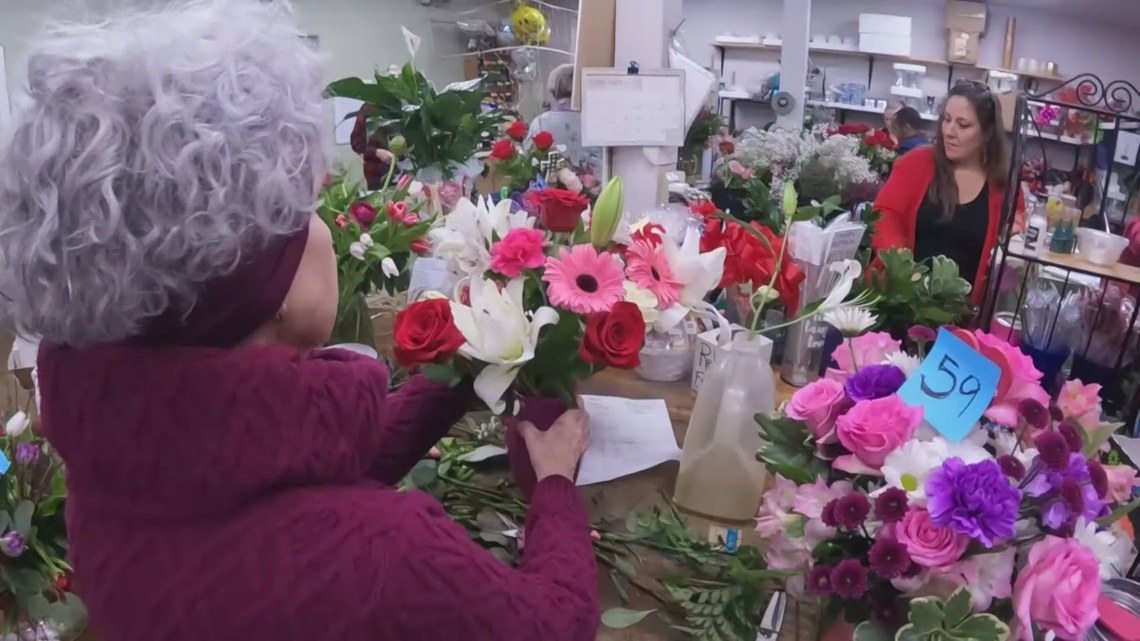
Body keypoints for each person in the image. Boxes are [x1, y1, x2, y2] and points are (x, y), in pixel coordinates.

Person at [0, 2, 599, 640]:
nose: (325, 227)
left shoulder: (125, 455)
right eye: (307, 207)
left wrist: (468, 357)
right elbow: (555, 627)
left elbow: (297, 462)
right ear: (260, 273)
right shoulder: (387, 557)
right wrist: (556, 487)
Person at [874, 80, 1022, 305]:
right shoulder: (915, 164)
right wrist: (901, 267)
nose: (950, 132)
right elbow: (884, 216)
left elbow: (1013, 249)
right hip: (900, 302)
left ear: (987, 133)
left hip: (965, 320)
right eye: (947, 119)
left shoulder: (1005, 186)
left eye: (963, 125)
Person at [529, 63, 601, 172]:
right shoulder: (597, 121)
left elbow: (529, 159)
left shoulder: (540, 123)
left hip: (551, 186)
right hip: (596, 186)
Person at [351, 105, 397, 190]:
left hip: (405, 171)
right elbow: (356, 143)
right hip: (376, 175)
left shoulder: (404, 102)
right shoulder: (368, 108)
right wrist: (376, 152)